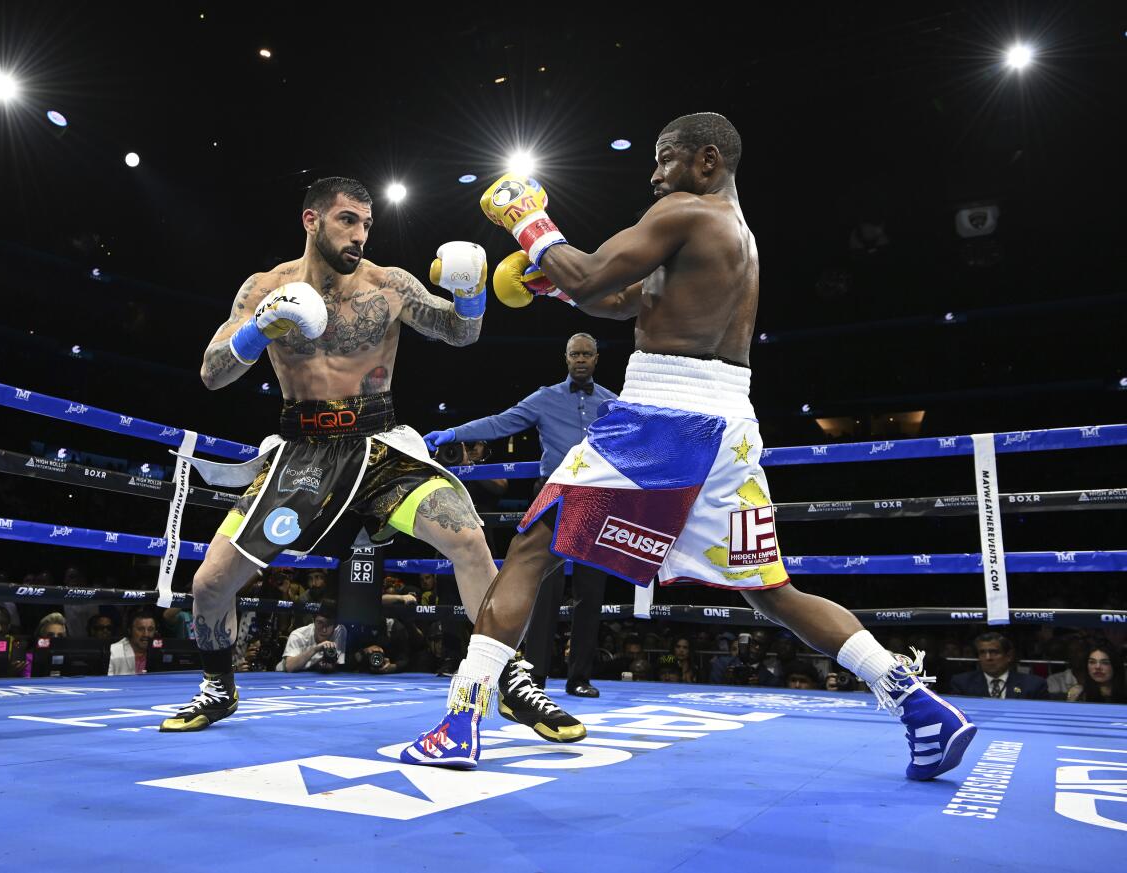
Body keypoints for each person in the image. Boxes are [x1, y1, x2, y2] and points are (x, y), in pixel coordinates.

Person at [404, 113, 976, 780]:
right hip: (729, 422)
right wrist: (551, 282)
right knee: (770, 590)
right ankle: (919, 704)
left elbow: (592, 275)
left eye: (665, 158)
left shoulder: (686, 210)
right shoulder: (735, 235)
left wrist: (529, 221)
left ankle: (461, 718)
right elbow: (623, 300)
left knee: (532, 544)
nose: (654, 174)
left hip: (665, 417)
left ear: (707, 161)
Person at [160, 176, 576, 737]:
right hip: (303, 453)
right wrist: (259, 330)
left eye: (366, 223)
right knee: (210, 585)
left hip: (381, 446)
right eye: (347, 220)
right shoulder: (264, 287)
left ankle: (510, 678)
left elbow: (461, 334)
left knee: (469, 539)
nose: (360, 234)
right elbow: (213, 374)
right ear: (311, 220)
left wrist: (472, 294)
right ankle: (217, 686)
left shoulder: (390, 285)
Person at [425, 333, 617, 698]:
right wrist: (453, 432)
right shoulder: (546, 398)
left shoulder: (612, 404)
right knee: (544, 586)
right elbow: (501, 423)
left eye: (586, 354)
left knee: (591, 590)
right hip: (554, 492)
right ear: (566, 357)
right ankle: (537, 676)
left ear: (595, 359)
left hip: (597, 496)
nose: (580, 360)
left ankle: (579, 677)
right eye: (574, 353)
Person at [949, 632, 1048, 700]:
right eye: (982, 652)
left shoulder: (1034, 685)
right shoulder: (961, 683)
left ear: (1008, 656)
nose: (988, 658)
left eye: (994, 652)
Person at [280, 598, 345, 673]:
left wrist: (328, 666)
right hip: (282, 675)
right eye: (320, 623)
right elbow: (290, 667)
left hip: (312, 676)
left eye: (329, 624)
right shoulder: (298, 635)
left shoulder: (340, 630)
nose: (324, 630)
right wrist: (315, 649)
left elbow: (336, 664)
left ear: (335, 625)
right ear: (313, 621)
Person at [109, 611, 157, 676]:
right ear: (130, 631)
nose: (146, 634)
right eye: (140, 629)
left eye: (150, 629)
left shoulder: (159, 652)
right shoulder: (114, 651)